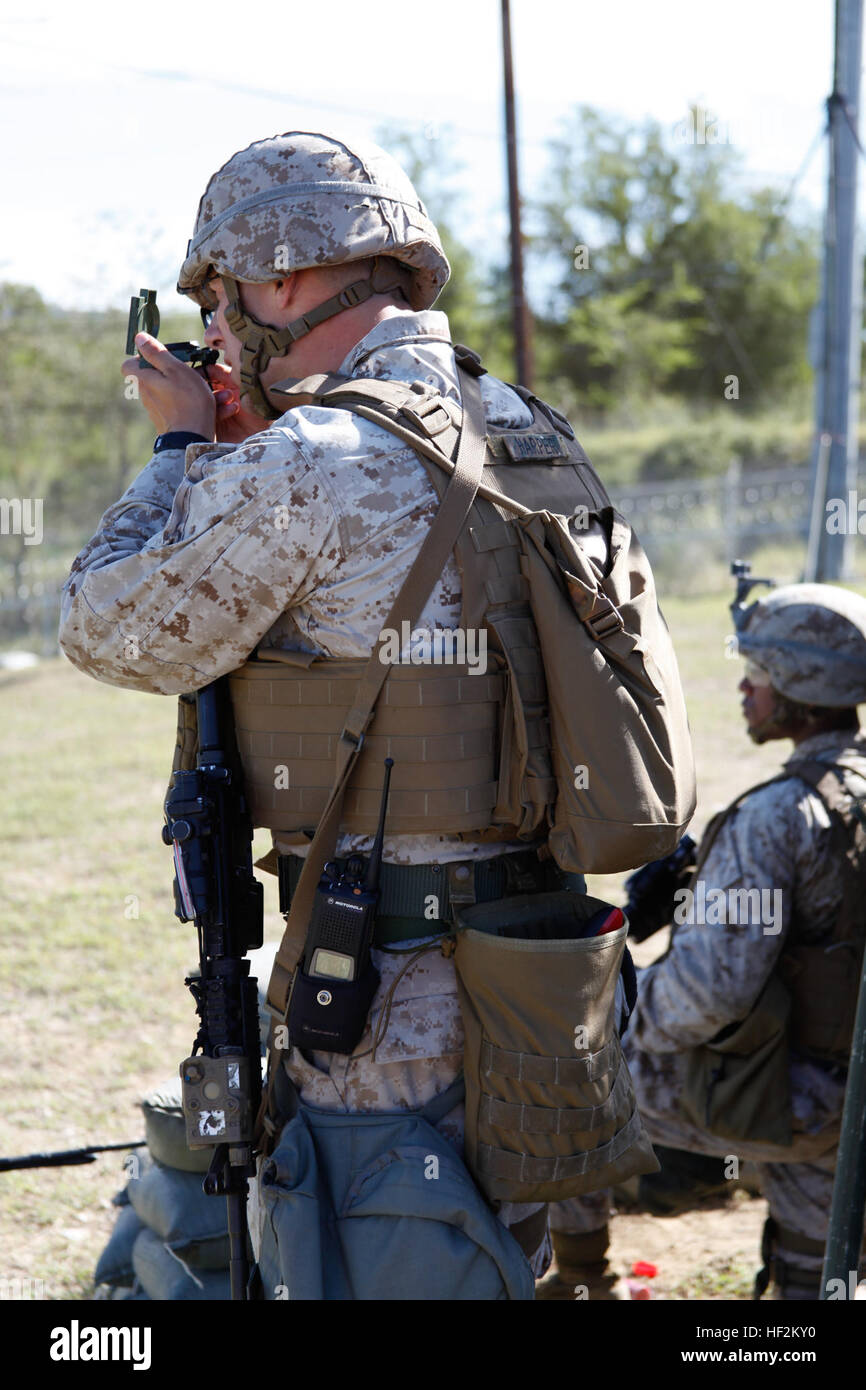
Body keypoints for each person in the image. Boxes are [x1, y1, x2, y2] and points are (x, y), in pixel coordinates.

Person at [59, 131, 672, 1299]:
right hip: (538, 972)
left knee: (384, 1262)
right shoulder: (531, 427)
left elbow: (105, 626)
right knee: (493, 1258)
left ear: (285, 274)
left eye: (225, 295)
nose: (222, 328)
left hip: (390, 994)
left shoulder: (313, 457)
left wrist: (182, 446)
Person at [539, 581, 866, 1301]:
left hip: (796, 1099)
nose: (745, 689)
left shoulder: (778, 817)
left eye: (759, 674)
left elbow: (705, 997)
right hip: (849, 1093)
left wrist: (612, 1011)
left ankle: (581, 1281)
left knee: (564, 1075)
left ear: (799, 689)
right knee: (818, 1264)